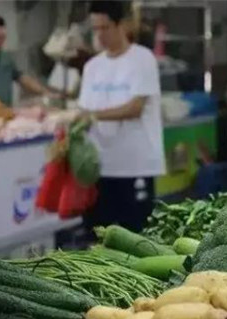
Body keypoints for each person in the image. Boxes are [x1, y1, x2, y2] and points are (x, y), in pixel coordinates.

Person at [78, 0, 165, 233]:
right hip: (101, 170)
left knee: (137, 235)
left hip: (134, 167)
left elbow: (135, 108)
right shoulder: (92, 67)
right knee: (97, 237)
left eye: (105, 28)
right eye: (95, 29)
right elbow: (83, 113)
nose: (100, 35)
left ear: (121, 25)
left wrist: (93, 116)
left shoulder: (142, 59)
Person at [0, 15, 55, 106]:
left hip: (5, 110)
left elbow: (21, 78)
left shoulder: (6, 58)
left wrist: (44, 92)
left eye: (2, 38)